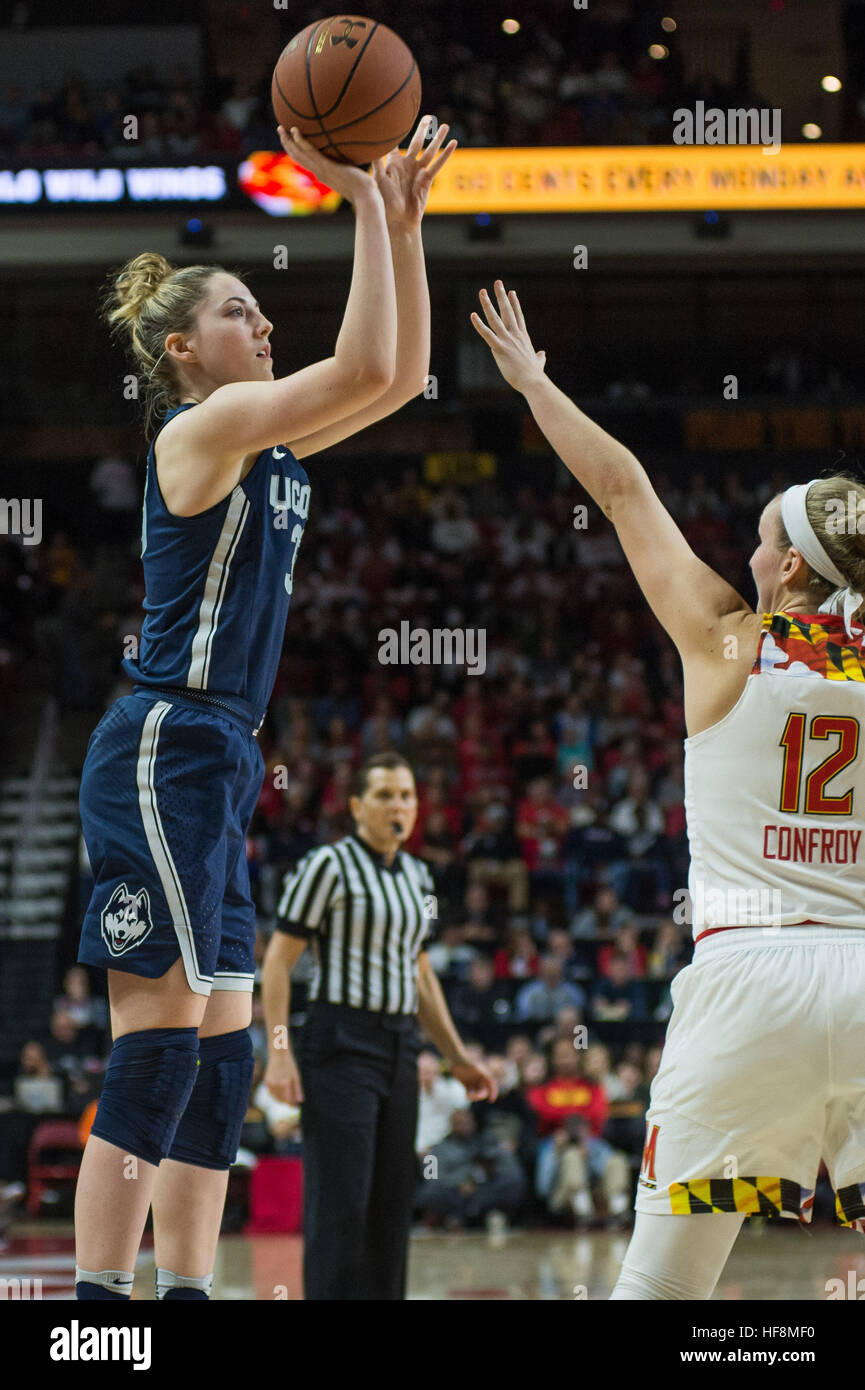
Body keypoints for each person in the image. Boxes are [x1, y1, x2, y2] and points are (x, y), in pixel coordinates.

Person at [72, 115, 457, 1302]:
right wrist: (354, 203)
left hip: (221, 754)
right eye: (242, 311)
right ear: (183, 348)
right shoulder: (200, 431)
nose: (264, 322)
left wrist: (400, 221)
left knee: (227, 1057)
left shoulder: (264, 445)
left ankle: (183, 1295)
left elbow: (391, 380)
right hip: (165, 741)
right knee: (156, 1050)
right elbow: (349, 370)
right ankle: (94, 1315)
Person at [470, 278, 865, 1299]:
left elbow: (622, 490)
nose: (746, 551)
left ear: (786, 573)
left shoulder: (728, 639)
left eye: (762, 542)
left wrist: (533, 384)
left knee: (661, 1295)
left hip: (746, 983)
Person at [261, 752, 496, 1300]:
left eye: (407, 795)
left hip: (399, 1046)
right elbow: (276, 962)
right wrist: (279, 1051)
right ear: (357, 806)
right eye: (386, 794)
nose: (399, 805)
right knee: (342, 1201)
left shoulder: (418, 875)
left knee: (393, 1202)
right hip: (339, 1042)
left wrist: (456, 1056)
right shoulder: (328, 866)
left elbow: (419, 972)